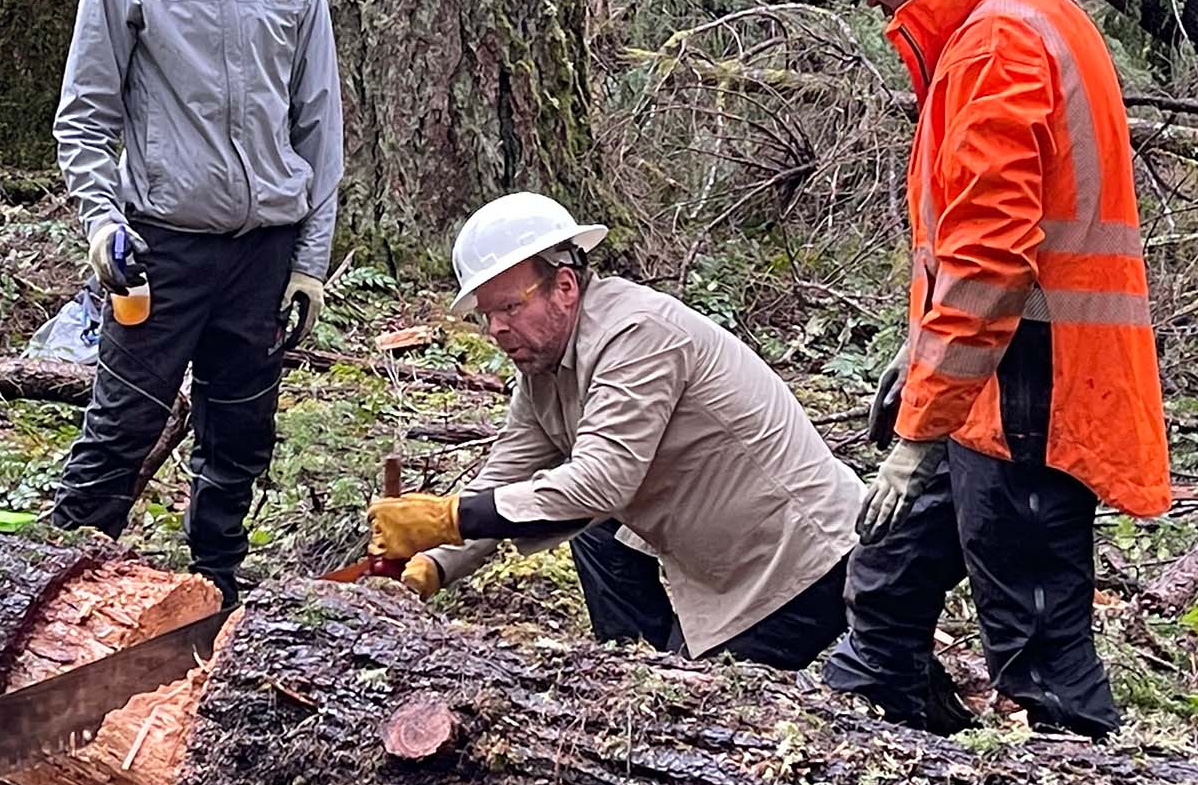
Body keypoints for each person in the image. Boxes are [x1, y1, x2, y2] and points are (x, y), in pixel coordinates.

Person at [815, 0, 1170, 738]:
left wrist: (919, 426)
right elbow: (967, 248)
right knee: (887, 589)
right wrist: (920, 354)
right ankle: (859, 762)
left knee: (1041, 651)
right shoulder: (1012, 26)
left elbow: (993, 262)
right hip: (985, 374)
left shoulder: (999, 42)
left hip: (1029, 387)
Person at [50, 0, 344, 607]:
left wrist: (309, 264)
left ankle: (215, 587)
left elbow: (320, 135)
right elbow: (85, 116)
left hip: (263, 252)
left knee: (241, 430)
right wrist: (103, 225)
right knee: (122, 423)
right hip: (161, 248)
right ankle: (61, 590)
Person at [365, 194, 863, 669]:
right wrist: (433, 564)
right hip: (720, 556)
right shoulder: (544, 373)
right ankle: (633, 661)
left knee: (691, 718)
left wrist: (452, 516)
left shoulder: (636, 334)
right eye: (486, 314)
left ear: (565, 286)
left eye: (510, 308)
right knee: (592, 532)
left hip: (801, 559)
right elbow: (500, 486)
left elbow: (603, 480)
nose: (496, 329)